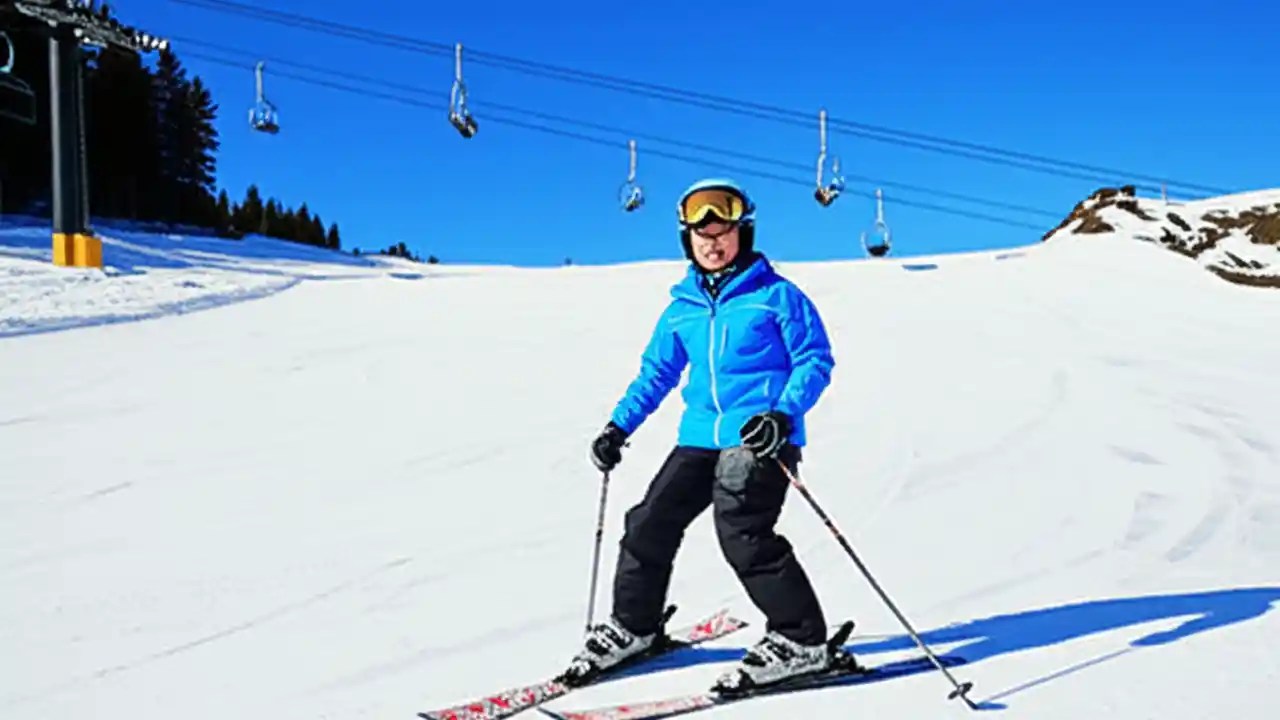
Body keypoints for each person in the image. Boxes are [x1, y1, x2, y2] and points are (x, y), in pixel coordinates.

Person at [561, 178, 841, 693]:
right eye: (702, 236)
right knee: (648, 523)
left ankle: (801, 638)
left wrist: (781, 415)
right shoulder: (682, 309)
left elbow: (815, 360)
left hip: (758, 437)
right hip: (699, 437)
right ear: (688, 241)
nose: (713, 244)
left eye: (724, 232)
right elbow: (656, 375)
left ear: (743, 234)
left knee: (741, 528)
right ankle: (635, 626)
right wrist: (618, 426)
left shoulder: (777, 296)